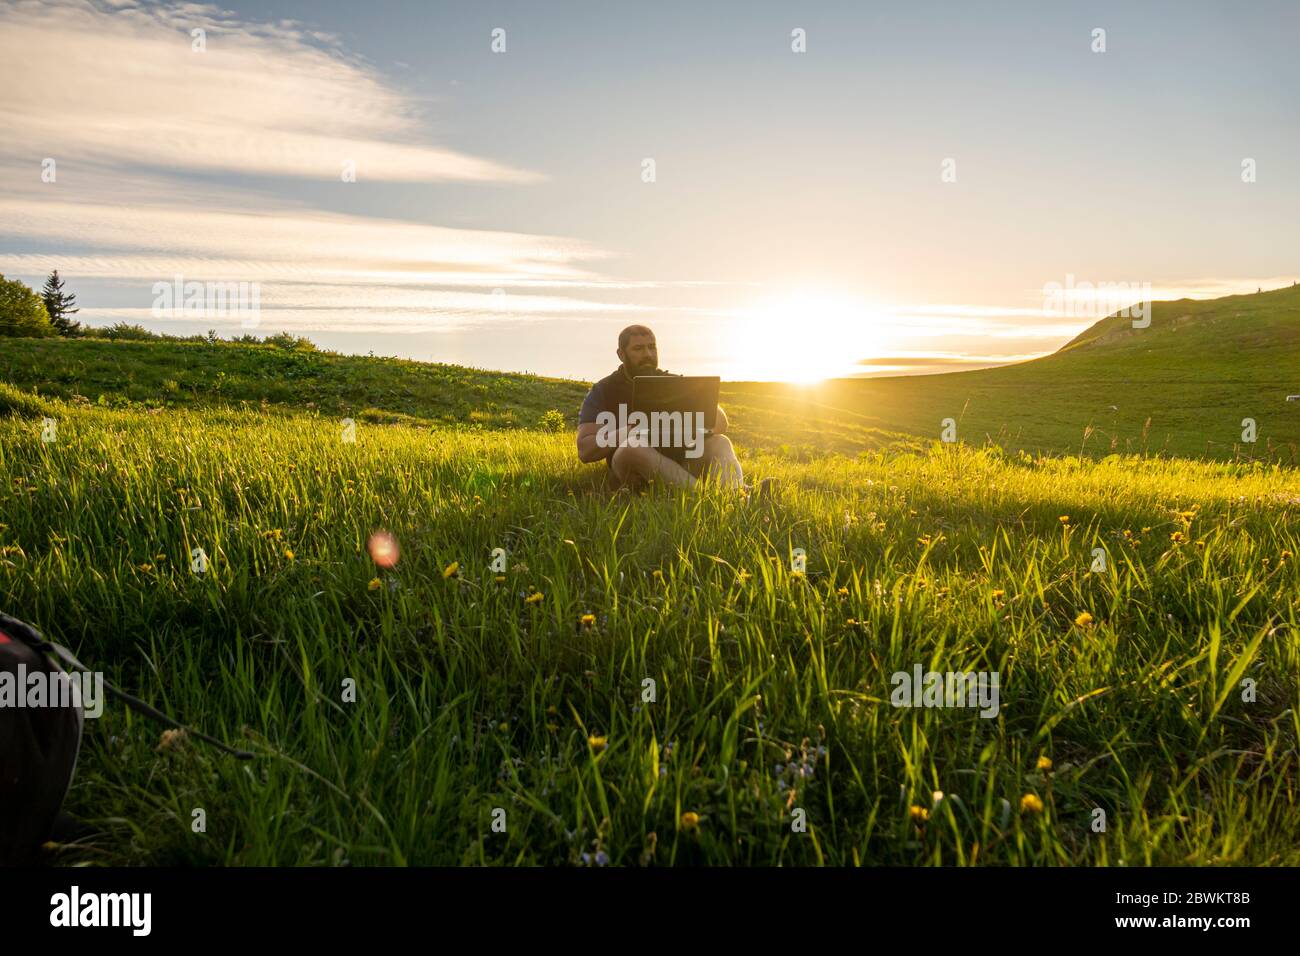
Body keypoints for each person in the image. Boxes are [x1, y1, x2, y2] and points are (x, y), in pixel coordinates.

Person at [576, 324, 757, 493]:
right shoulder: (604, 390)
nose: (647, 354)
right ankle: (712, 497)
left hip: (680, 464)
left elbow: (720, 424)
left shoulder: (674, 383)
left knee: (721, 442)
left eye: (652, 347)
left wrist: (695, 402)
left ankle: (736, 497)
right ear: (621, 354)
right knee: (633, 447)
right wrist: (633, 431)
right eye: (638, 349)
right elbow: (585, 449)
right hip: (632, 468)